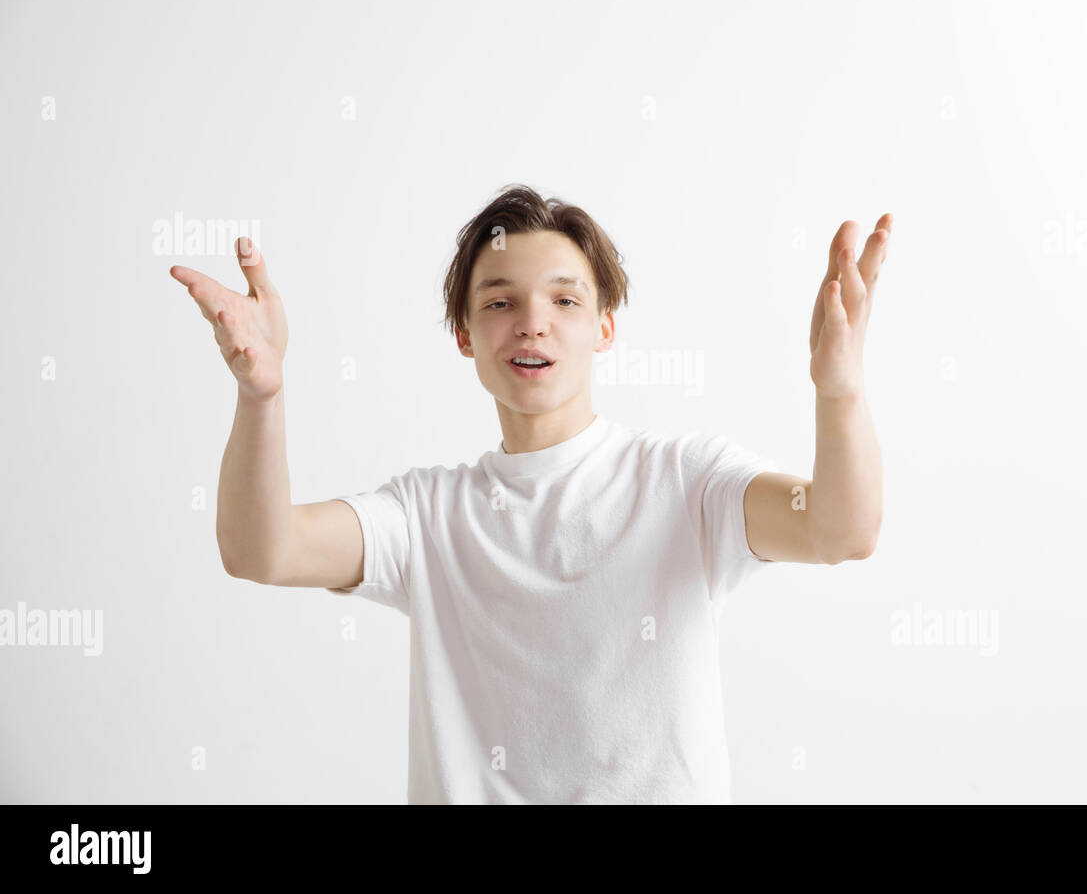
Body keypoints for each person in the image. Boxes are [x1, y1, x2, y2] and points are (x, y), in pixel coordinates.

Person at [169, 183, 890, 804]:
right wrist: (262, 396)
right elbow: (261, 550)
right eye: (499, 301)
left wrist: (841, 393)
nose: (532, 321)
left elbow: (840, 531)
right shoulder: (426, 517)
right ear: (464, 335)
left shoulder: (687, 482)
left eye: (565, 299)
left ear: (604, 327)